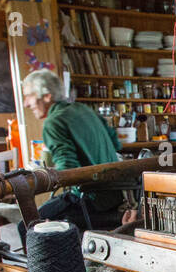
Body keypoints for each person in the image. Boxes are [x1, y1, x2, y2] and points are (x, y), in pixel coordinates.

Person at [20, 70, 132, 234]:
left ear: (47, 96)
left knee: (27, 225)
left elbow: (68, 170)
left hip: (90, 201)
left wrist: (44, 175)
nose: (26, 104)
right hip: (114, 196)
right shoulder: (84, 109)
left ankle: (50, 260)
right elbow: (116, 143)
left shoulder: (54, 121)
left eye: (29, 96)